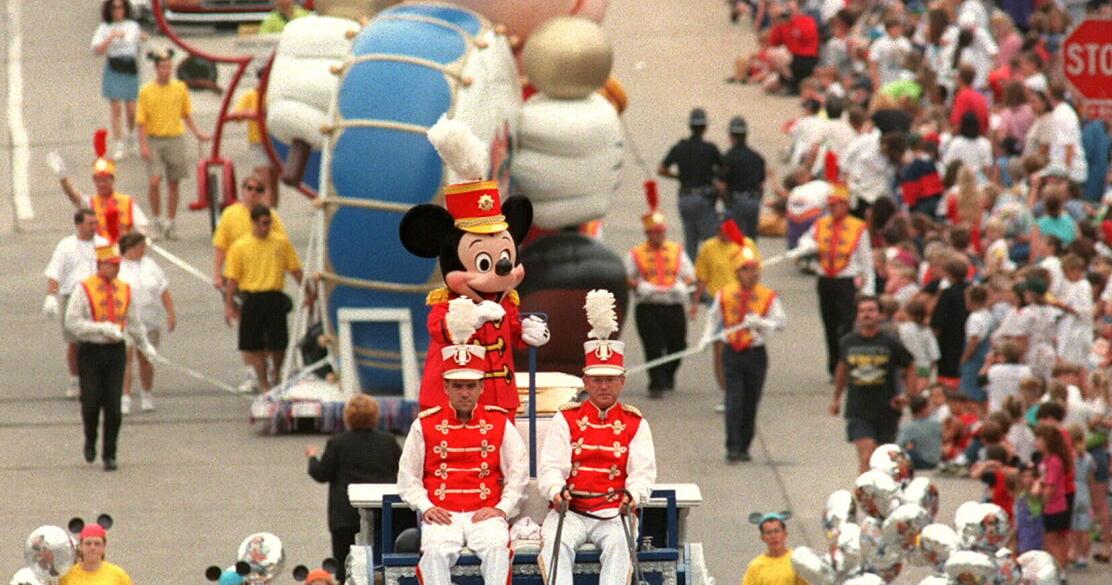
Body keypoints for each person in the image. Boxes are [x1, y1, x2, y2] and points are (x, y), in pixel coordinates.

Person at [396, 301, 528, 585]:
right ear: (445, 388)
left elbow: (518, 471)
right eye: (458, 386)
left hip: (485, 511)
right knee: (433, 554)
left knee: (497, 551)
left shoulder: (498, 421)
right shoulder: (425, 423)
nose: (465, 393)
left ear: (482, 387)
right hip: (443, 513)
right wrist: (426, 506)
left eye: (470, 386)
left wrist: (503, 509)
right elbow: (408, 477)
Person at [538, 295, 657, 585]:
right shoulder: (565, 418)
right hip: (572, 510)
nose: (604, 385)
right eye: (597, 379)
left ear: (622, 381)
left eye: (610, 379)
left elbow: (643, 473)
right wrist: (556, 490)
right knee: (557, 544)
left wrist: (634, 495)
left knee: (620, 546)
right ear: (586, 381)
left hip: (614, 511)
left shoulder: (635, 422)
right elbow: (551, 467)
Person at [64, 243, 155, 471]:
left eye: (117, 265)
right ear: (100, 265)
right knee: (92, 401)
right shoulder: (83, 289)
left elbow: (133, 321)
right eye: (111, 265)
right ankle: (90, 437)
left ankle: (110, 453)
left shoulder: (124, 289)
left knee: (114, 406)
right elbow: (72, 322)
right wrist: (101, 328)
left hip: (115, 351)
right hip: (91, 351)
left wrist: (144, 345)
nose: (115, 270)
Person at [306, 394, 402, 584]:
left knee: (346, 568)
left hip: (345, 515)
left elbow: (321, 473)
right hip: (382, 514)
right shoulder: (388, 441)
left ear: (348, 417)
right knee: (382, 565)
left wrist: (311, 457)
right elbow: (402, 470)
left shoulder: (337, 443)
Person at [787, 186, 874, 379]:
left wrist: (869, 289)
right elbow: (806, 240)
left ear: (846, 205)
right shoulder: (820, 224)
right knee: (829, 324)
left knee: (846, 325)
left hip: (846, 282)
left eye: (836, 205)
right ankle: (834, 366)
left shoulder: (858, 227)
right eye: (830, 205)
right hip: (825, 280)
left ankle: (846, 365)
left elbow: (866, 261)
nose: (833, 209)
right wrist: (806, 247)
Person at [708, 247, 786, 462]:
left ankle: (744, 445)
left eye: (755, 270)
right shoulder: (724, 293)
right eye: (747, 270)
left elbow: (780, 322)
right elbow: (713, 317)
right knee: (734, 399)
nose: (752, 274)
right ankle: (732, 445)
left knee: (751, 400)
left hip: (755, 353)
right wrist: (707, 338)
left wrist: (762, 323)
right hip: (732, 351)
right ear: (738, 272)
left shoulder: (767, 295)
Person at [223, 205, 304, 393]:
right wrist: (229, 306)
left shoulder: (281, 243)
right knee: (254, 345)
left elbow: (295, 270)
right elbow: (232, 280)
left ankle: (276, 371)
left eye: (269, 223)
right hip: (252, 298)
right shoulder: (240, 246)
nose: (266, 227)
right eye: (263, 223)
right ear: (253, 223)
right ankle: (263, 382)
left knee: (279, 343)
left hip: (274, 296)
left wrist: (308, 291)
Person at [831, 296, 914, 473]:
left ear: (880, 315)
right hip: (858, 409)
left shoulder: (890, 342)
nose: (866, 315)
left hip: (887, 409)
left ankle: (881, 495)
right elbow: (842, 368)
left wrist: (907, 395)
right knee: (867, 455)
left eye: (870, 310)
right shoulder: (848, 342)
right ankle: (865, 494)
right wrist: (836, 398)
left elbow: (910, 365)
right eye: (862, 311)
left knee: (883, 460)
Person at [137, 47, 211, 240]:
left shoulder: (180, 88)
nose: (166, 71)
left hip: (175, 138)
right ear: (156, 69)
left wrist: (198, 134)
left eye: (168, 67)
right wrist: (143, 145)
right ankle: (156, 218)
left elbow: (186, 114)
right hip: (154, 139)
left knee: (174, 181)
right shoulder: (146, 91)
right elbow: (141, 122)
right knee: (154, 181)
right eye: (162, 67)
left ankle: (171, 221)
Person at [625, 208, 695, 398]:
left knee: (678, 345)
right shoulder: (636, 254)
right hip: (648, 306)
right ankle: (656, 383)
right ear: (647, 233)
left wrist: (682, 284)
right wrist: (639, 284)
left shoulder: (676, 251)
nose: (659, 235)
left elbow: (690, 275)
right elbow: (625, 277)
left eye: (661, 231)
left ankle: (668, 374)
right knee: (653, 346)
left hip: (673, 305)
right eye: (654, 232)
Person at [692, 219, 760, 412]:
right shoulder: (709, 247)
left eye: (726, 230)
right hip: (719, 303)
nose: (722, 234)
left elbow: (755, 271)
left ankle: (744, 391)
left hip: (744, 304)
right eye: (719, 230)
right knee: (721, 351)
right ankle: (728, 393)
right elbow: (702, 275)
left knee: (746, 349)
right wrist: (695, 303)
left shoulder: (746, 245)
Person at [43, 209, 103, 399]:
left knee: (98, 340)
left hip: (98, 296)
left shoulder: (104, 244)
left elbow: (114, 266)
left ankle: (96, 379)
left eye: (95, 223)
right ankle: (75, 379)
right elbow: (55, 272)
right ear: (79, 225)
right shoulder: (66, 246)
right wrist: (51, 296)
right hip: (73, 296)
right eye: (89, 224)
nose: (94, 227)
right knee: (74, 342)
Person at [116, 232, 174, 414]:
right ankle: (124, 397)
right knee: (126, 359)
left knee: (146, 359)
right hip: (125, 321)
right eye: (137, 247)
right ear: (127, 249)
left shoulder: (151, 265)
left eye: (143, 247)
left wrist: (170, 313)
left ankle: (146, 394)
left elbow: (163, 290)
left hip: (150, 319)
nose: (141, 250)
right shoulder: (118, 268)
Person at [658, 108, 722, 260]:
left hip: (685, 198)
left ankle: (691, 276)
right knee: (711, 242)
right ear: (705, 127)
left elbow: (661, 169)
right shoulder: (710, 149)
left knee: (690, 241)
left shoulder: (680, 147)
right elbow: (724, 169)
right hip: (703, 199)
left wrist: (678, 176)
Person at [56, 141, 149, 243]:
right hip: (98, 254)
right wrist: (63, 177)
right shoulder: (90, 203)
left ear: (112, 180)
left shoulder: (127, 202)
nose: (101, 184)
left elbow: (142, 226)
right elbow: (72, 195)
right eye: (98, 181)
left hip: (123, 253)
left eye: (105, 180)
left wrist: (140, 240)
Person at [91, 0, 143, 160]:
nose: (117, 11)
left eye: (120, 7)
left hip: (129, 67)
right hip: (114, 67)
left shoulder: (132, 25)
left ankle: (131, 134)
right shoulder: (104, 28)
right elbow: (96, 49)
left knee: (131, 110)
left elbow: (130, 40)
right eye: (114, 8)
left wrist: (119, 36)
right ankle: (119, 143)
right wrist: (110, 38)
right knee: (116, 109)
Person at [718, 116, 768, 241]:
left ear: (731, 135)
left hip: (736, 203)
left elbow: (721, 186)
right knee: (750, 241)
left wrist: (727, 204)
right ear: (745, 135)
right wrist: (756, 201)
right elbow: (761, 186)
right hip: (753, 202)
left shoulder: (728, 157)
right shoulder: (757, 157)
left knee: (735, 241)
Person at [233, 81, 280, 207]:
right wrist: (250, 113)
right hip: (258, 142)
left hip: (275, 142)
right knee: (265, 181)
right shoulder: (251, 95)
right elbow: (237, 115)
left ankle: (271, 214)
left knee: (273, 181)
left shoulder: (274, 95)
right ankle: (265, 214)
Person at [1035, 421, 1074, 568]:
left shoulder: (1054, 461)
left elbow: (1050, 487)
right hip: (1054, 506)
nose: (1036, 442)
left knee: (1052, 541)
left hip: (1054, 507)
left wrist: (1041, 503)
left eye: (1039, 439)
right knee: (1054, 540)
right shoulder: (1046, 460)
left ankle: (1059, 569)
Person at [741, 513, 804, 585]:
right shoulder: (755, 566)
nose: (773, 536)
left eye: (777, 531)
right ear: (762, 538)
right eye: (768, 532)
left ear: (785, 534)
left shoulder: (798, 562)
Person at [59, 524, 132, 585]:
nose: (92, 548)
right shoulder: (66, 576)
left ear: (104, 546)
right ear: (81, 546)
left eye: (97, 544)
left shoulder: (118, 576)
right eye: (88, 543)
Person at [896, 394, 943, 469]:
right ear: (923, 409)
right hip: (935, 461)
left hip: (923, 462)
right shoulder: (936, 424)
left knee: (906, 452)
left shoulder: (909, 426)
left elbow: (898, 446)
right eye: (929, 406)